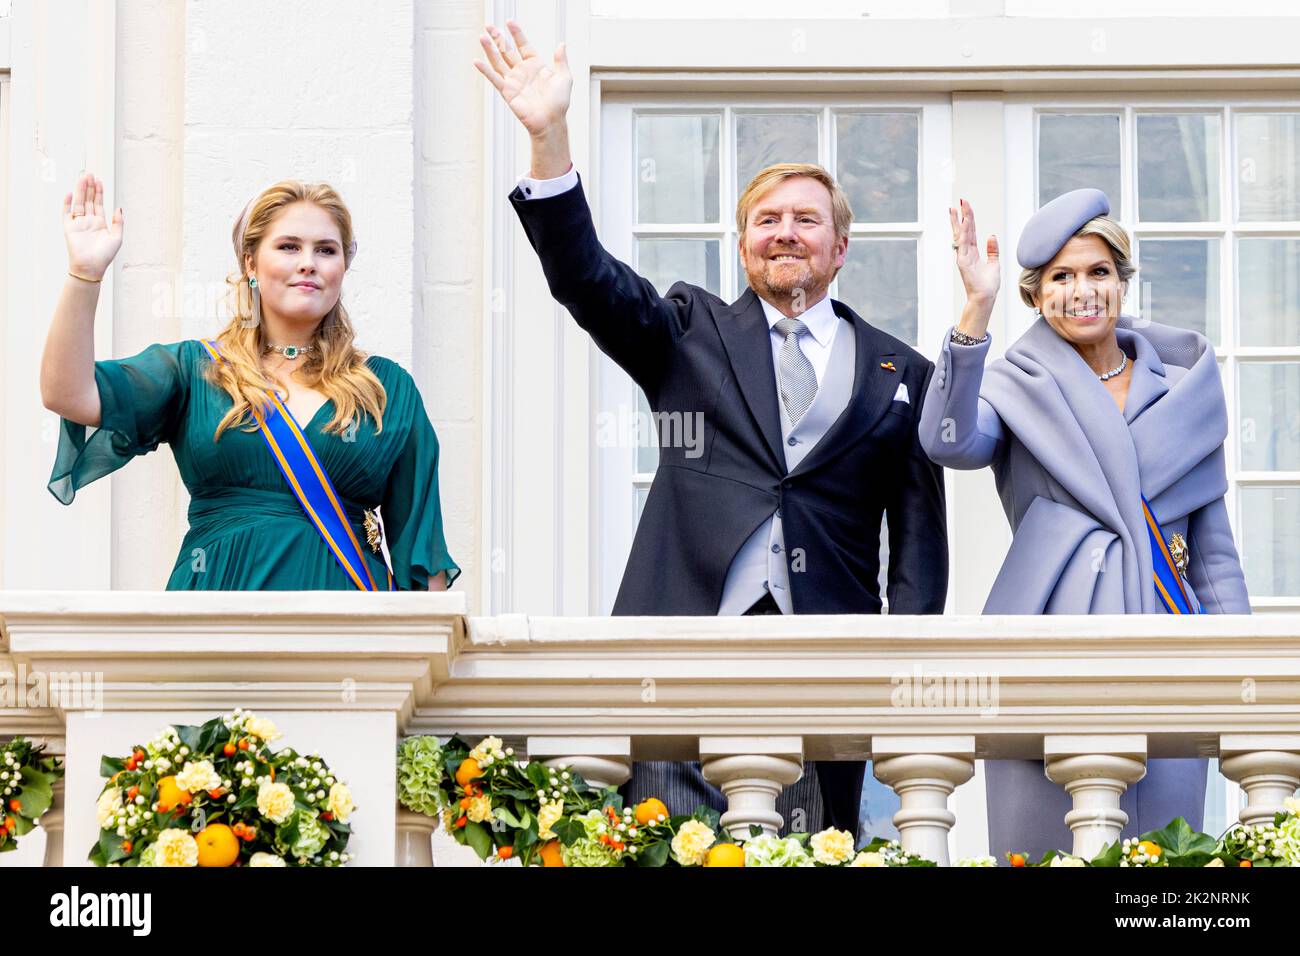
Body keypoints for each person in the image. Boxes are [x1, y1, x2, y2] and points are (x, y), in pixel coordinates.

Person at [475, 21, 948, 837]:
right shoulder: (689, 332)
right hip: (680, 657)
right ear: (742, 246)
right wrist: (548, 138)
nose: (785, 232)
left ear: (839, 247)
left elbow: (918, 555)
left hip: (823, 676)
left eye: (805, 219)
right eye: (766, 220)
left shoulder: (901, 374)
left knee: (806, 854)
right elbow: (589, 279)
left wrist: (894, 678)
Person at [919, 188, 1250, 859]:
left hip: (1163, 639)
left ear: (1123, 283)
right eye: (1061, 278)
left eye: (1098, 272)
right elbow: (949, 441)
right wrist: (974, 312)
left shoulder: (1182, 388)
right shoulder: (1016, 383)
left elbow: (1212, 551)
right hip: (1048, 635)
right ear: (1036, 297)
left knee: (1162, 854)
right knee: (1043, 846)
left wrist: (1245, 669)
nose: (1081, 291)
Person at [41, 173, 459, 592]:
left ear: (342, 268)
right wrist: (85, 275)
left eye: (326, 250)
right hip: (217, 616)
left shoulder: (384, 388)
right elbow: (67, 393)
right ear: (250, 262)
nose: (308, 262)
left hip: (348, 631)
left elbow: (421, 558)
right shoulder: (195, 369)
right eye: (289, 246)